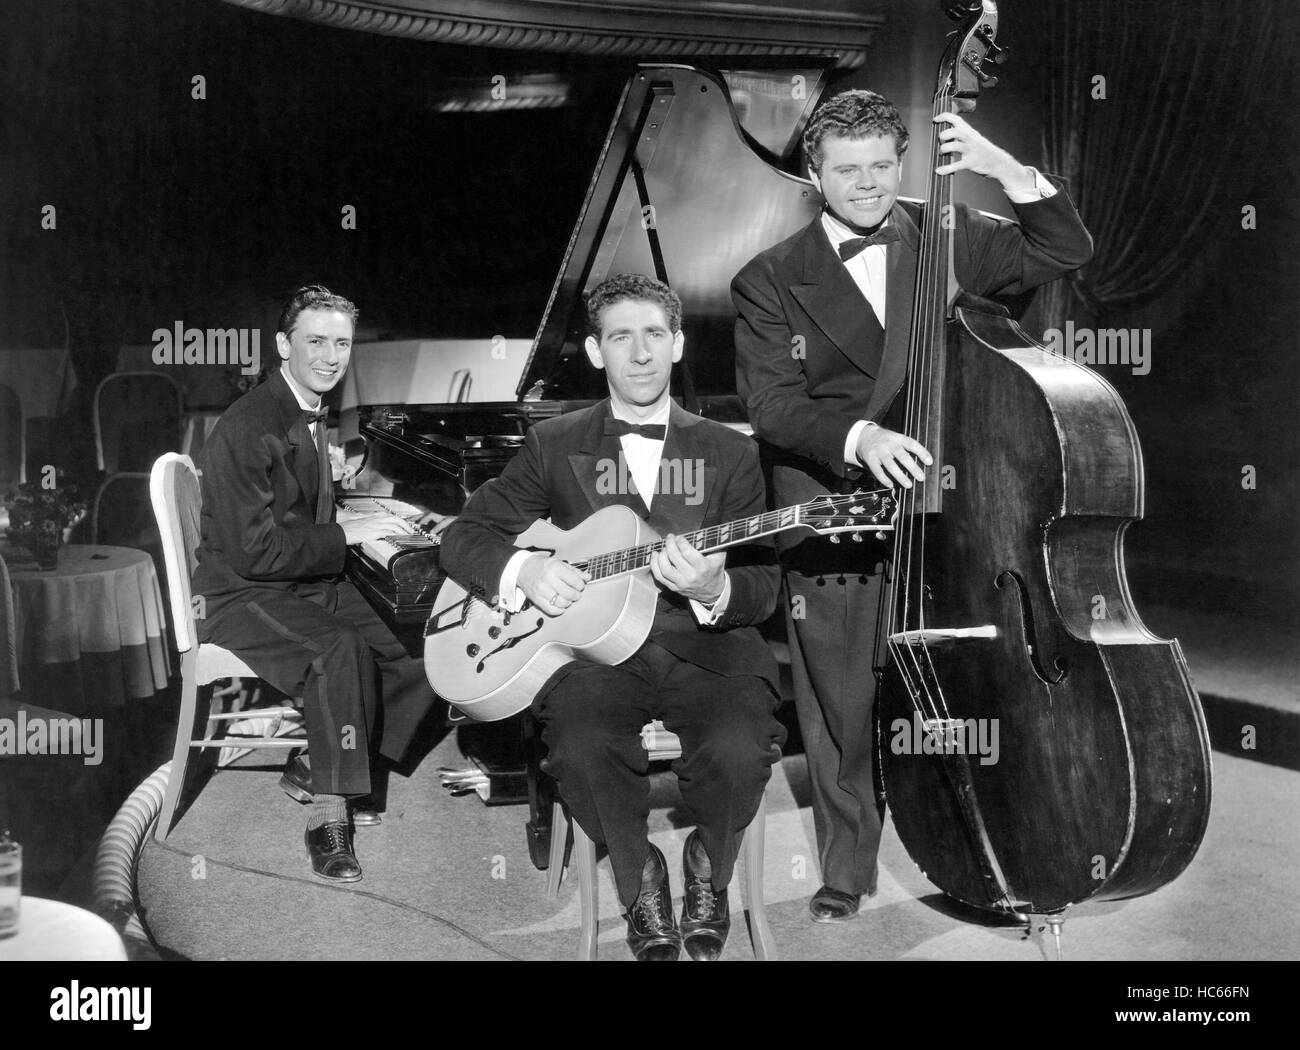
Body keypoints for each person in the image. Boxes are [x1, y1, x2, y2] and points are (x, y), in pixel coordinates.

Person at [731, 89, 1093, 923]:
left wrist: (1003, 168)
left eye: (882, 167)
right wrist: (860, 438)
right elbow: (773, 408)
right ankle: (848, 867)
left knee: (973, 686)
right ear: (812, 175)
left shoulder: (952, 235)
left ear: (904, 161)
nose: (867, 185)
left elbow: (1065, 248)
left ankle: (996, 846)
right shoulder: (769, 279)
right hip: (835, 501)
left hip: (953, 503)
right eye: (847, 170)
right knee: (844, 702)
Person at [439, 273, 785, 962]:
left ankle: (707, 872)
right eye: (620, 337)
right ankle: (640, 879)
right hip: (594, 655)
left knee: (743, 748)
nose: (640, 353)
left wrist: (717, 587)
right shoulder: (554, 443)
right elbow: (463, 538)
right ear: (596, 352)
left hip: (706, 650)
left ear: (678, 343)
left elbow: (767, 583)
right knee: (580, 747)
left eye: (655, 334)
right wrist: (527, 571)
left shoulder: (732, 451)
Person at [191, 284, 435, 882]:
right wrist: (346, 537)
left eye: (342, 343)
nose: (330, 356)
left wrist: (370, 515)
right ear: (283, 345)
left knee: (424, 640)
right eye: (316, 341)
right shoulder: (249, 425)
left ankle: (325, 760)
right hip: (239, 593)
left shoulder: (306, 409)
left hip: (295, 578)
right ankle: (329, 816)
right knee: (338, 650)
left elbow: (297, 514)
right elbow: (255, 553)